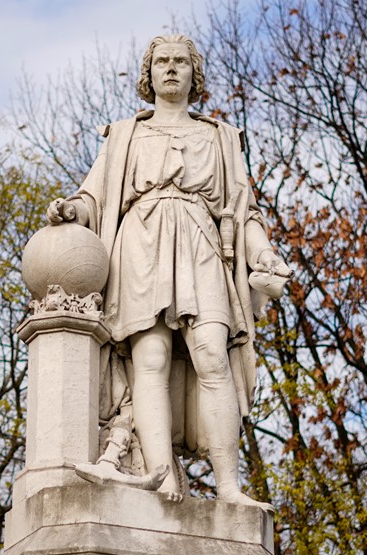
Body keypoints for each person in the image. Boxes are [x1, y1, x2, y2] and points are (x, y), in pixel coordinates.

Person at [47, 34, 291, 511]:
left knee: (213, 358)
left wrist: (262, 254)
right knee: (151, 360)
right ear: (149, 72)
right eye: (162, 61)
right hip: (142, 245)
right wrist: (71, 210)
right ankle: (161, 478)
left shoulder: (220, 136)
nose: (171, 69)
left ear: (193, 73)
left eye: (181, 61)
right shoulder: (126, 135)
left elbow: (245, 213)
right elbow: (93, 195)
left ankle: (228, 487)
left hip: (201, 243)